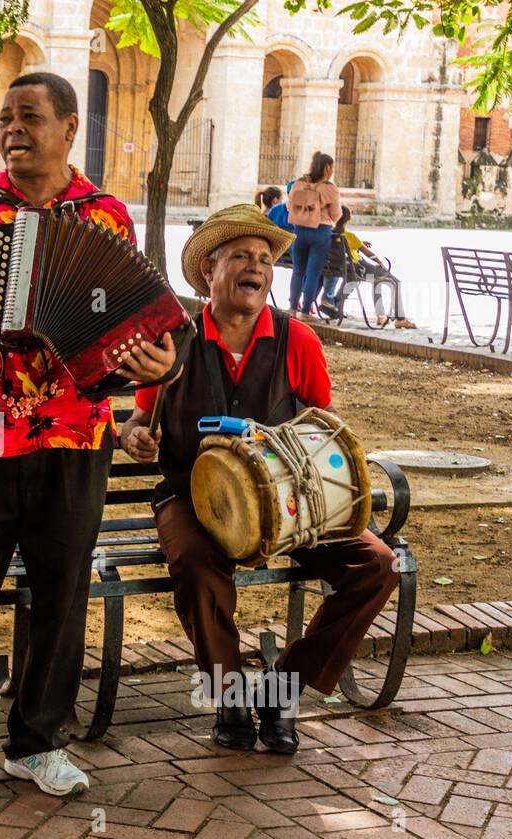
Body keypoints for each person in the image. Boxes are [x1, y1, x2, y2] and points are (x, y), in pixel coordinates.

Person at [0, 72, 177, 806]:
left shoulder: (106, 215)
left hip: (74, 435)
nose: (14, 129)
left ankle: (37, 742)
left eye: (29, 117)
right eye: (5, 118)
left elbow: (142, 330)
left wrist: (160, 362)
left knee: (61, 594)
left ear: (68, 127)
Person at [117, 204, 400, 755]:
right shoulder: (174, 339)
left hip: (292, 507)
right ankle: (228, 698)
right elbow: (137, 417)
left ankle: (279, 689)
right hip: (192, 499)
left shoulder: (298, 341)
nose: (257, 267)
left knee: (377, 564)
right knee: (197, 567)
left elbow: (324, 429)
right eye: (241, 257)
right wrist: (134, 437)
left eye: (265, 259)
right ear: (209, 273)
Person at [318, 206, 414, 328]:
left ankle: (380, 315)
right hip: (360, 267)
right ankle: (400, 319)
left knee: (374, 280)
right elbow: (369, 254)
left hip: (344, 268)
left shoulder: (329, 235)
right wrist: (381, 264)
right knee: (395, 282)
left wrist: (359, 244)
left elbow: (344, 247)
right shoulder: (350, 236)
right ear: (348, 219)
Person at [286, 151, 341, 322]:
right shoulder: (329, 188)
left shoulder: (298, 184)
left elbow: (289, 206)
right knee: (312, 273)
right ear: (326, 167)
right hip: (320, 231)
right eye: (331, 167)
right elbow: (336, 213)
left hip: (300, 230)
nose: (332, 170)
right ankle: (305, 313)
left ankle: (292, 309)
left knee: (297, 272)